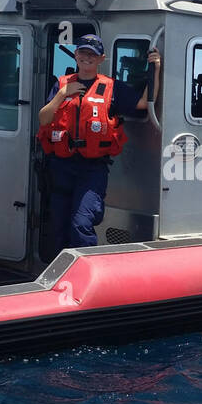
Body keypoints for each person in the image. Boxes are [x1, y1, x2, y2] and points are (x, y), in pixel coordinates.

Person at [38, 34, 160, 252]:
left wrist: (155, 70)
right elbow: (44, 119)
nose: (87, 58)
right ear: (75, 55)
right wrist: (63, 95)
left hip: (92, 169)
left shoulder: (112, 88)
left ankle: (87, 272)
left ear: (101, 58)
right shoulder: (62, 85)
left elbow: (143, 103)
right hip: (61, 166)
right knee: (59, 226)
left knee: (81, 224)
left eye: (92, 54)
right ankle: (60, 279)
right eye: (83, 53)